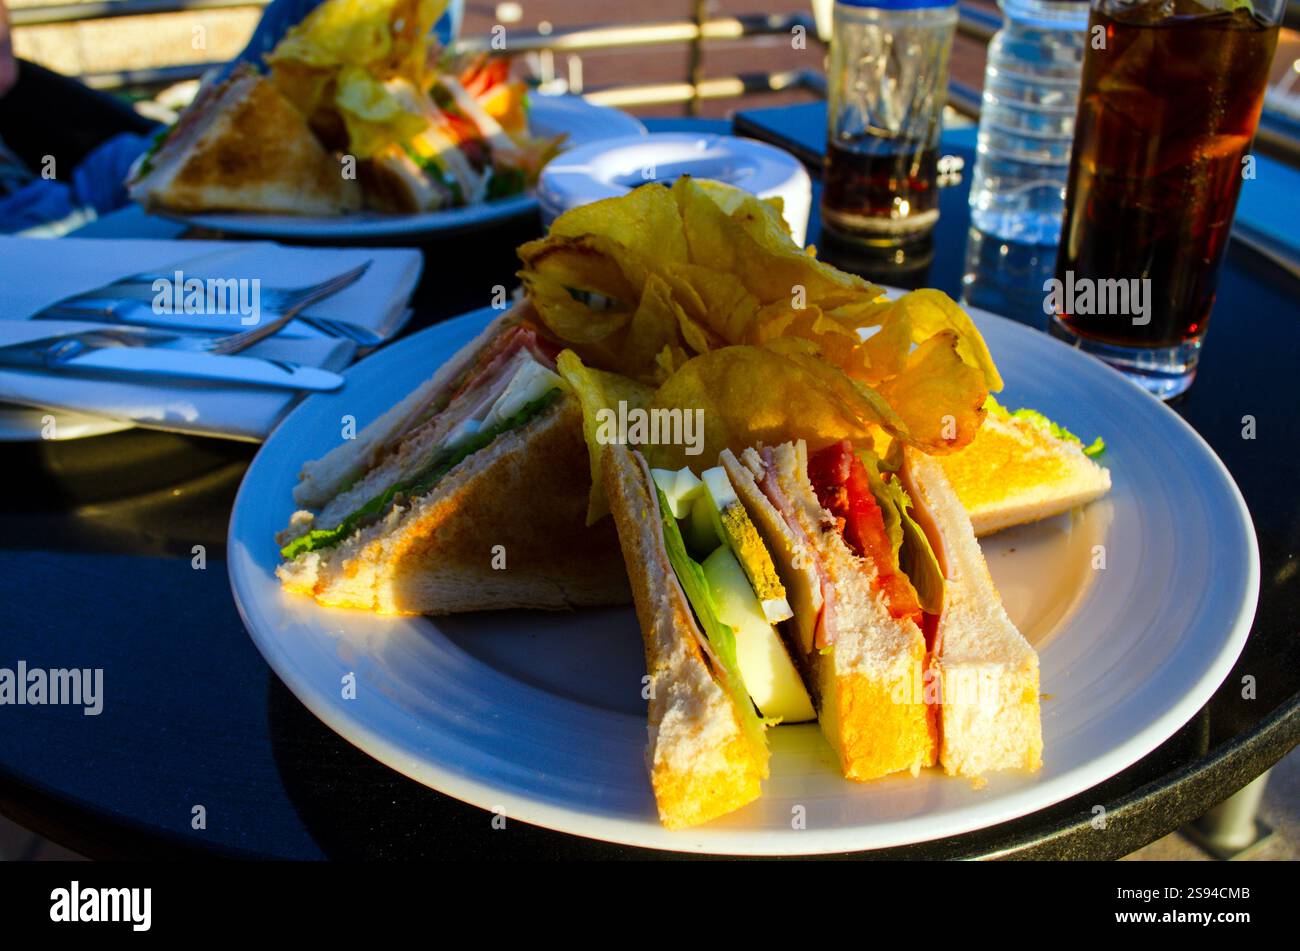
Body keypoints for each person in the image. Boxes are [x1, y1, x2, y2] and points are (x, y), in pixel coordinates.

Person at [0, 0, 464, 234]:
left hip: (125, 166)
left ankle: (402, 80)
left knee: (313, 29)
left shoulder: (24, 90)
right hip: (101, 215)